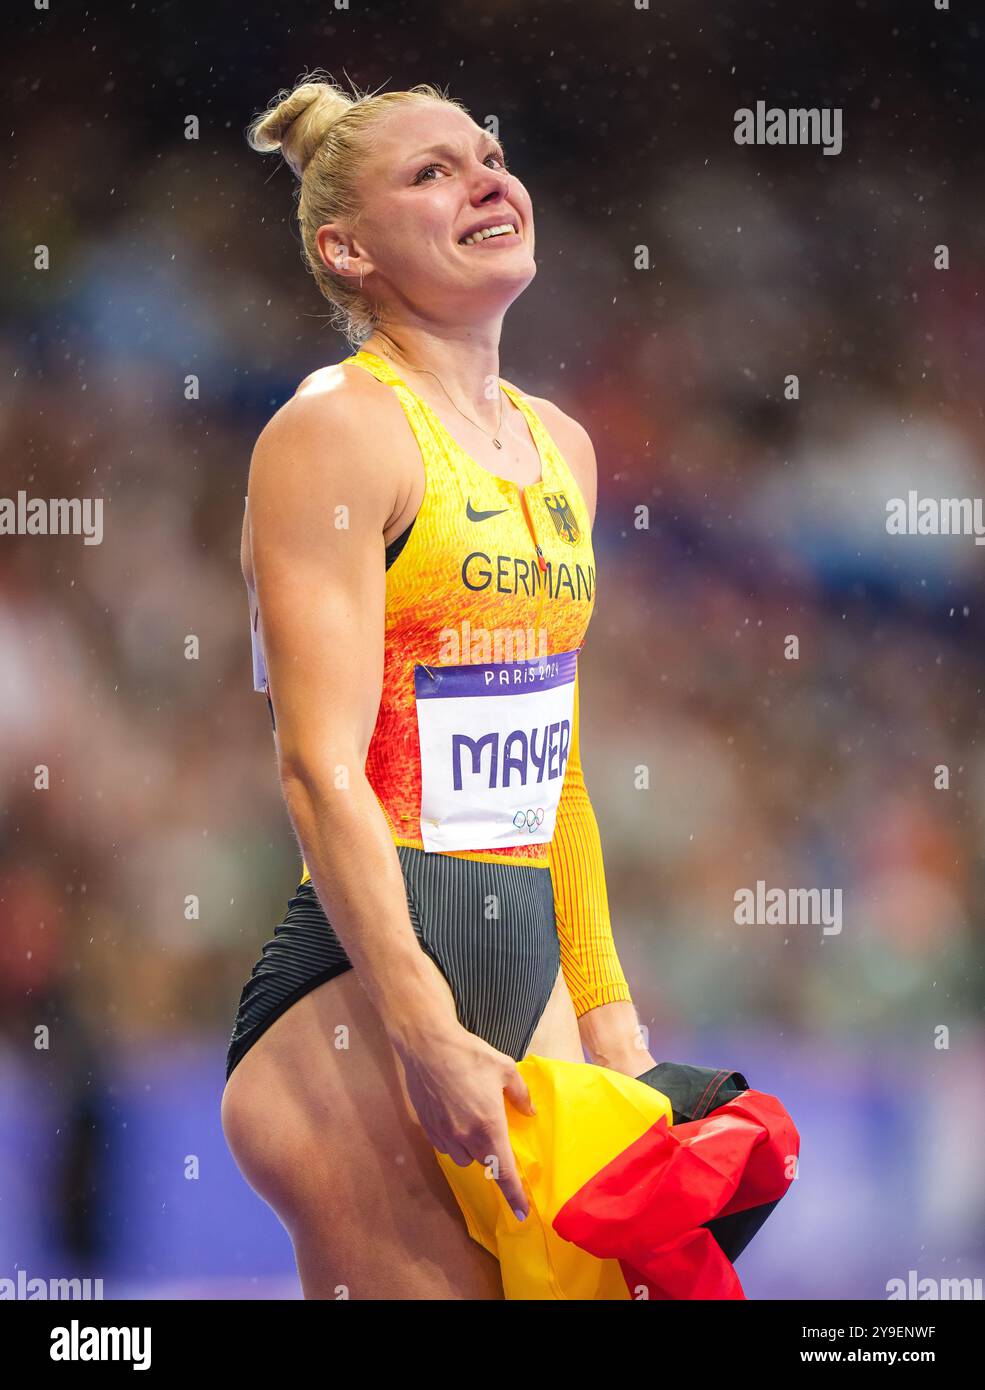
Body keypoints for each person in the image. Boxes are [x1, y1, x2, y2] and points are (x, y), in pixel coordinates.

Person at [220, 72, 657, 1300]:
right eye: (433, 172)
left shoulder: (558, 442)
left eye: (487, 153)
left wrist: (607, 1006)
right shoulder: (336, 434)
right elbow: (317, 764)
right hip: (363, 994)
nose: (484, 178)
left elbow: (551, 763)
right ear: (344, 249)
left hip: (524, 969)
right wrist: (417, 1026)